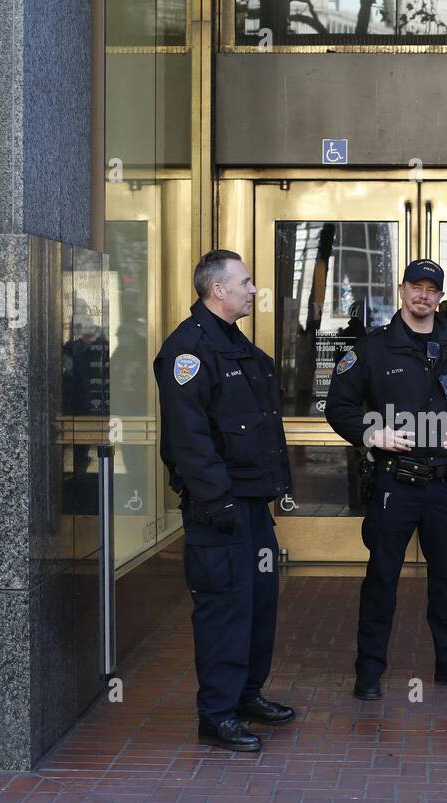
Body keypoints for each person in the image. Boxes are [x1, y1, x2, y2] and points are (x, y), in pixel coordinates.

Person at [325, 258, 447, 700]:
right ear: (402, 290)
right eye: (416, 287)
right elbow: (338, 406)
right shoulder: (372, 349)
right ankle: (368, 672)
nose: (423, 296)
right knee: (382, 577)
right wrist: (372, 433)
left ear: (440, 296)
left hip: (446, 484)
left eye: (432, 289)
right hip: (394, 484)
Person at [153, 249, 295, 753]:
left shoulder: (238, 348)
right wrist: (220, 503)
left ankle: (246, 695)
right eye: (247, 281)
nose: (254, 289)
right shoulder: (188, 351)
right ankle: (216, 715)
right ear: (218, 290)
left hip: (252, 505)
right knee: (224, 610)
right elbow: (190, 442)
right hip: (220, 509)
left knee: (258, 604)